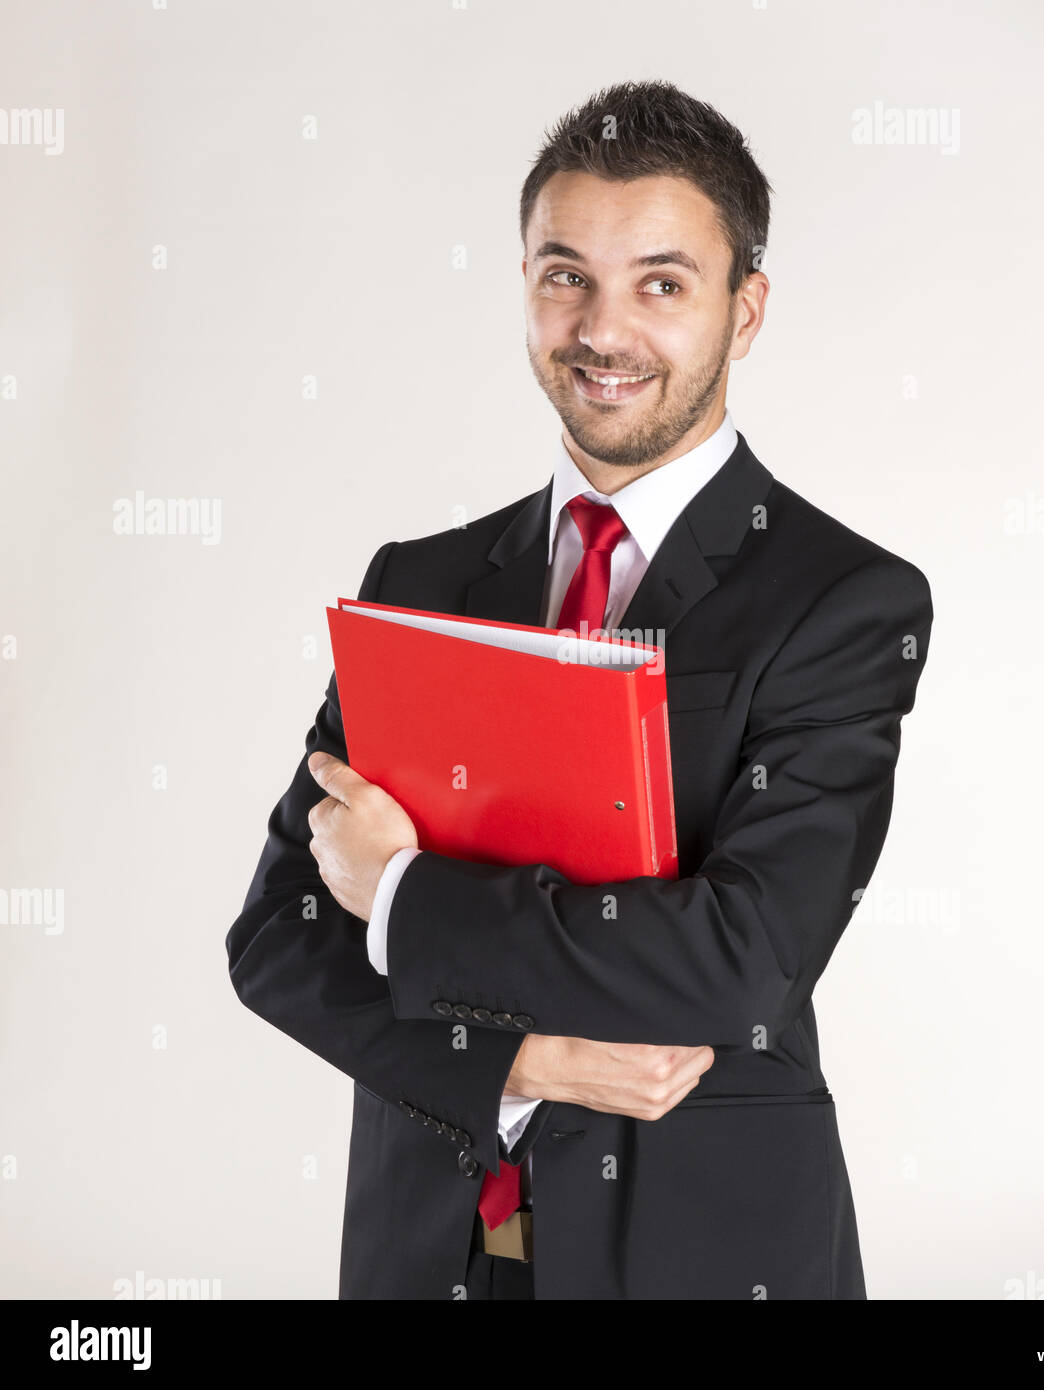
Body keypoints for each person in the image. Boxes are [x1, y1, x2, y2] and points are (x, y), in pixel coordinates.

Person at [226, 79, 934, 1300]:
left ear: (744, 308)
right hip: (427, 1250)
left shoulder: (844, 599)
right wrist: (523, 1062)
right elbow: (279, 941)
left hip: (703, 1251)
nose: (603, 329)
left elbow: (739, 959)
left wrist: (398, 891)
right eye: (567, 276)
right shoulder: (422, 581)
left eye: (661, 282)